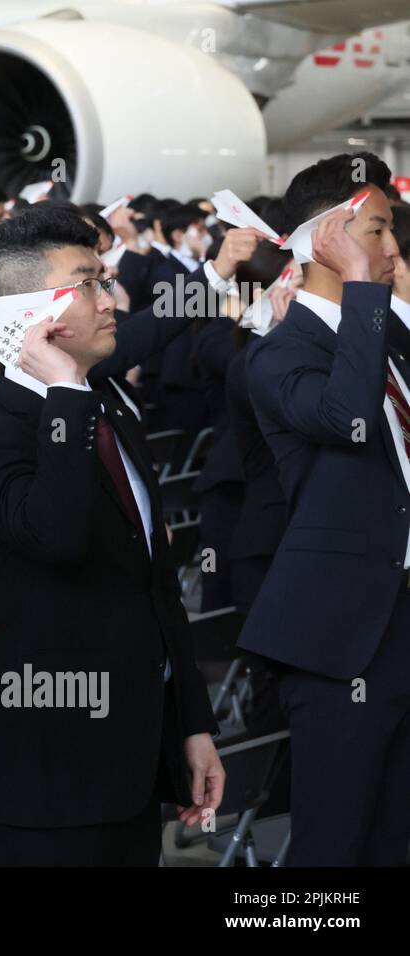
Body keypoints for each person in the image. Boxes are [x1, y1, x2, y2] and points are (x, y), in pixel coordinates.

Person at [0, 206, 222, 866]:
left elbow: (158, 587)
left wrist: (192, 722)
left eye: (104, 278)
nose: (112, 299)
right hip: (51, 783)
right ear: (29, 315)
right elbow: (59, 536)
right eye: (90, 282)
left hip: (136, 764)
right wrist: (66, 388)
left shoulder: (104, 413)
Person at [239, 152, 410, 865]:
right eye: (375, 231)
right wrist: (365, 286)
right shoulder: (281, 352)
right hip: (342, 632)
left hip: (398, 610)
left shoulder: (386, 333)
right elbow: (350, 418)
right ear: (325, 239)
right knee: (333, 843)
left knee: (395, 834)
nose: (393, 248)